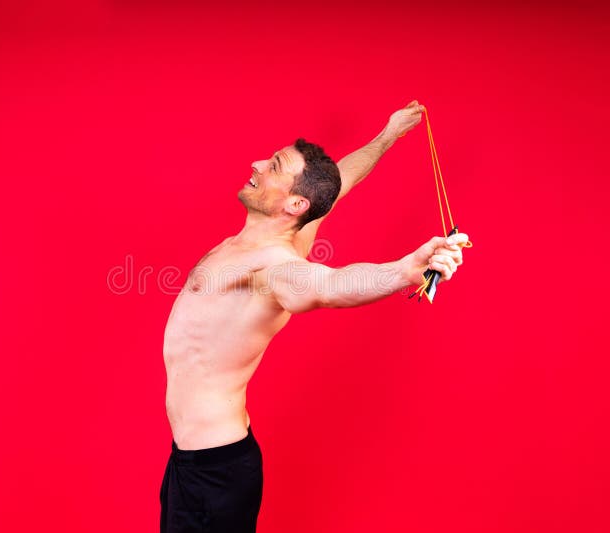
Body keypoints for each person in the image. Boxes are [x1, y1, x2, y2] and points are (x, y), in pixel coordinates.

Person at [160, 101, 470, 532]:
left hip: (213, 472)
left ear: (295, 203)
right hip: (191, 462)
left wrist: (403, 271)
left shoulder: (274, 265)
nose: (256, 164)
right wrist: (388, 135)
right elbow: (340, 178)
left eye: (273, 166)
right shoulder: (286, 228)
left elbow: (330, 287)